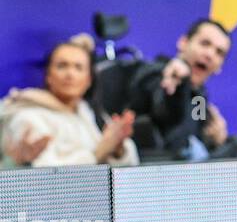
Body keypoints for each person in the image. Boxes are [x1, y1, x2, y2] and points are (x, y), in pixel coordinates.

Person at [0, 36, 138, 168]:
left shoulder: (92, 114)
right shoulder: (27, 117)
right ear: (48, 76)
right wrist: (99, 153)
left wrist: (117, 150)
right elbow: (43, 177)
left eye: (78, 67)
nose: (70, 74)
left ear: (89, 79)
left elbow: (128, 171)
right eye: (62, 66)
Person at [126, 19, 234, 161]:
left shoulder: (199, 96)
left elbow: (194, 137)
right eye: (205, 43)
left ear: (220, 67)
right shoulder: (157, 74)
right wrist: (179, 84)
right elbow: (165, 109)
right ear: (183, 43)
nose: (210, 55)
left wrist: (215, 140)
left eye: (219, 52)